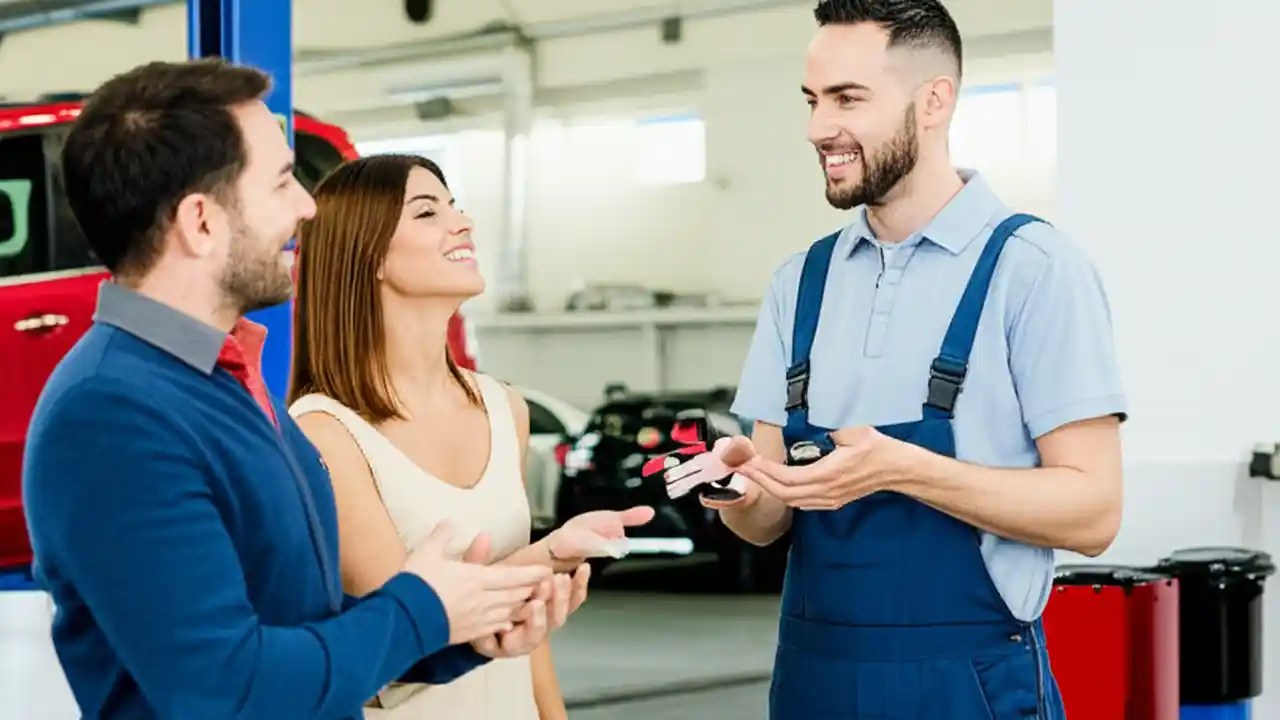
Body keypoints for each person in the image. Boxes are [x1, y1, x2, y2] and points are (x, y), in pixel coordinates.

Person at [21, 59, 560, 720]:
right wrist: (422, 607)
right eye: (281, 183)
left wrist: (462, 630)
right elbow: (227, 691)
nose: (307, 206)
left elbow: (307, 628)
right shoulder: (112, 414)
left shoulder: (223, 381)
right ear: (201, 222)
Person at [705, 2, 1127, 718]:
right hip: (814, 681)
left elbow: (1093, 513)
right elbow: (768, 517)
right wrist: (738, 491)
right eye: (811, 101)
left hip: (970, 686)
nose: (817, 129)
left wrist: (906, 469)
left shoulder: (1034, 270)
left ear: (934, 101)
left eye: (847, 99)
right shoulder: (798, 284)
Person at [285, 153, 655, 719]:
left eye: (454, 205)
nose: (463, 222)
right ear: (368, 254)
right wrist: (546, 557)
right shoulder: (325, 432)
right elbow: (405, 633)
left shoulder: (505, 408)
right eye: (427, 211)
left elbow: (531, 639)